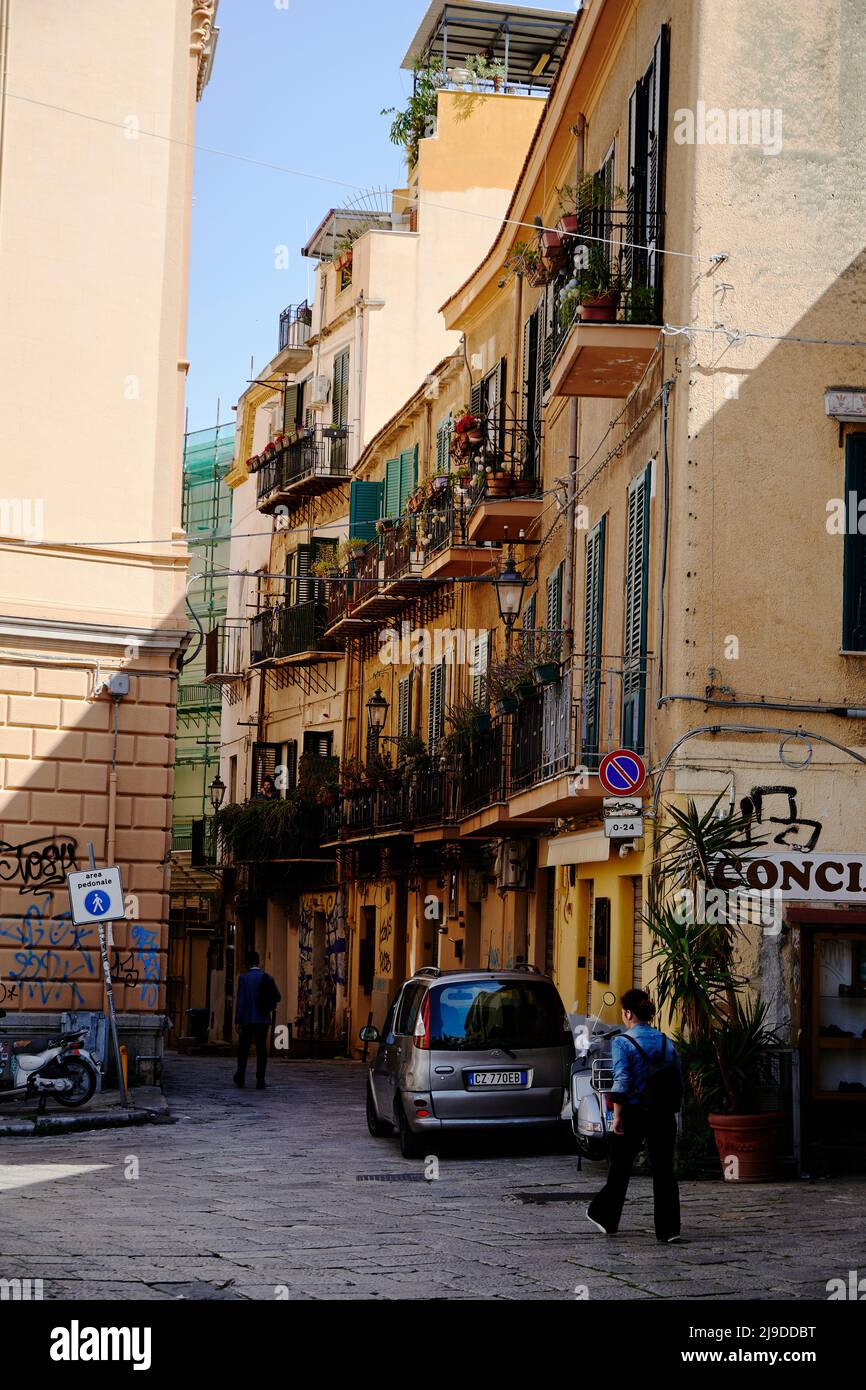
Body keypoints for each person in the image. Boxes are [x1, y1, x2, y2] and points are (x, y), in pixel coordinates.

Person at [586, 988, 682, 1243]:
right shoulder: (665, 1041)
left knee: (620, 1168)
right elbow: (678, 1078)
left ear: (627, 1013)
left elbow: (622, 1081)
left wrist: (617, 1116)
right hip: (663, 1113)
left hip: (634, 1112)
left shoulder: (622, 1042)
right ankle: (669, 1230)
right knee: (664, 1171)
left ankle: (606, 1217)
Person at [233, 950, 279, 1090]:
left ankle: (241, 1075)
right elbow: (277, 996)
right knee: (261, 1050)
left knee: (243, 1048)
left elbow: (240, 1000)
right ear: (259, 962)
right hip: (263, 1019)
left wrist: (237, 1020)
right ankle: (260, 1079)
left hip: (247, 1019)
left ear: (247, 963)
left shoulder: (243, 978)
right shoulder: (267, 978)